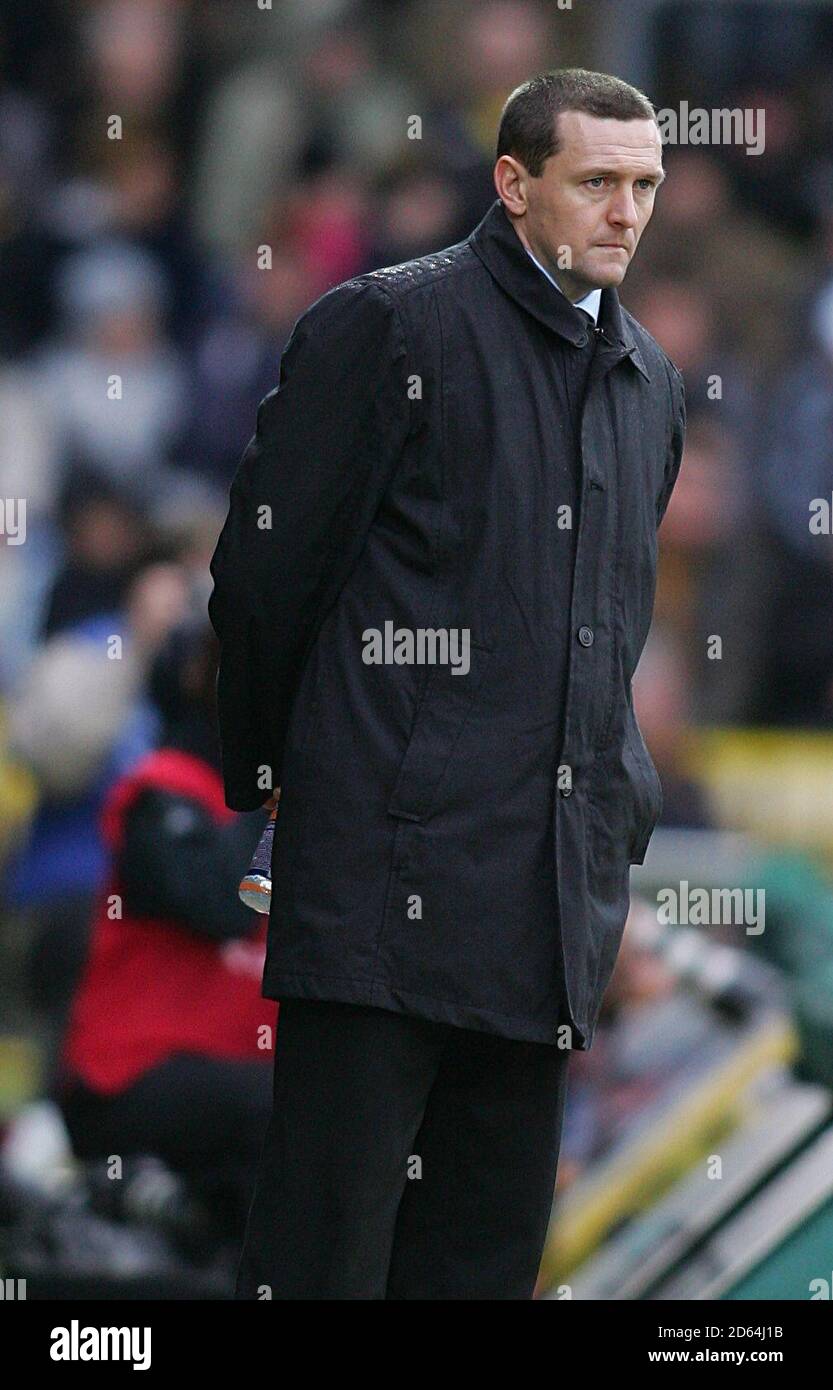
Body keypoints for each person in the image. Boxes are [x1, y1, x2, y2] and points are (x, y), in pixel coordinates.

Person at [208, 68, 686, 1299]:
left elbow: (603, 638)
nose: (624, 212)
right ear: (514, 184)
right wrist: (285, 788)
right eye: (596, 182)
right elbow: (264, 581)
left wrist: (609, 821)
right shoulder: (389, 324)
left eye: (643, 186)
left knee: (477, 1276)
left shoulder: (649, 384)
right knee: (322, 1266)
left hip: (542, 917)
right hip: (381, 891)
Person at [56, 619, 277, 1248]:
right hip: (125, 1081)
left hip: (242, 1075)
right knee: (291, 1110)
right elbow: (227, 904)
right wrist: (275, 797)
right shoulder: (160, 790)